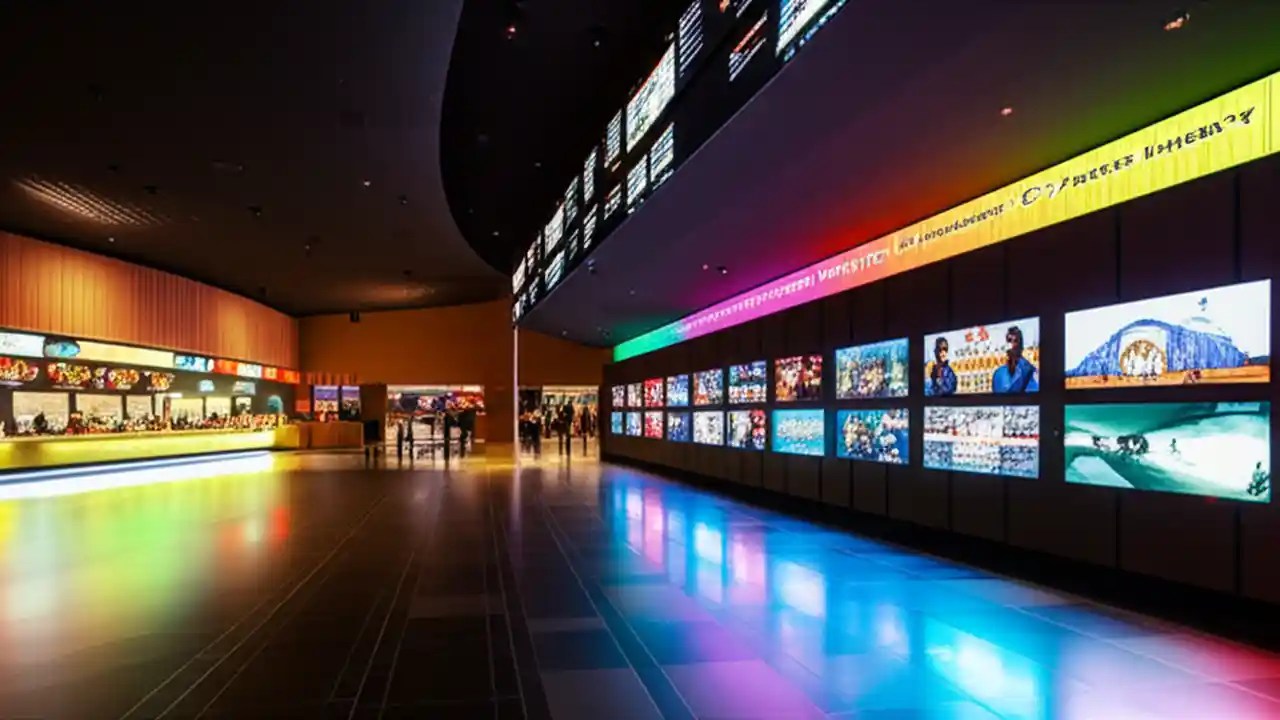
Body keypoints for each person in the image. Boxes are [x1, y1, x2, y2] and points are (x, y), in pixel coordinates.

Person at [991, 325, 1038, 394]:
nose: (1012, 345)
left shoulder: (1029, 370)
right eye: (1009, 341)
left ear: (1020, 345)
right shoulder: (999, 373)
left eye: (1015, 341)